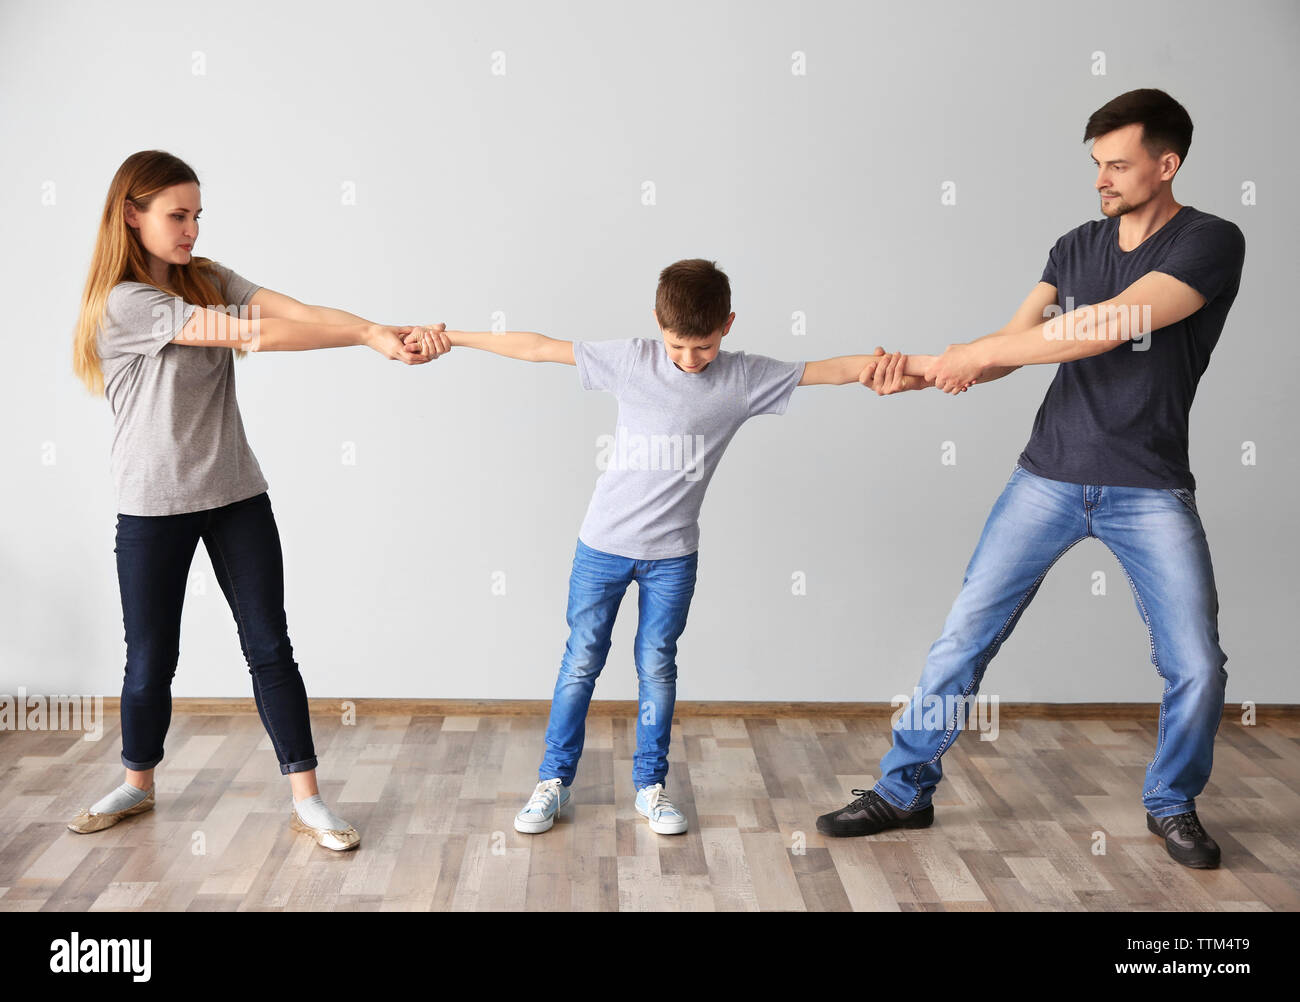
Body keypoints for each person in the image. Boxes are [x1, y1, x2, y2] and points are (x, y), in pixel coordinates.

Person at [818, 89, 1246, 870]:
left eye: (1117, 165)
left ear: (1167, 163)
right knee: (962, 641)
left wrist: (965, 355)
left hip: (1149, 485)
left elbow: (1109, 323)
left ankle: (1171, 802)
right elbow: (1016, 346)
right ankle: (904, 789)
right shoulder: (1075, 244)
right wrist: (924, 372)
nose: (1101, 181)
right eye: (1096, 166)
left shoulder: (1212, 242)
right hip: (1047, 476)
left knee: (1198, 663)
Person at [409, 259, 929, 836]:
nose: (689, 359)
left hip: (673, 557)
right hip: (601, 547)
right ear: (658, 323)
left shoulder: (745, 378)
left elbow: (835, 369)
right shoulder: (632, 360)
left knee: (656, 667)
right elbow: (538, 347)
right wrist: (451, 337)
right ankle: (552, 782)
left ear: (728, 325)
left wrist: (929, 370)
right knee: (581, 660)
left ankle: (651, 787)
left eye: (703, 347)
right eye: (678, 345)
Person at [68, 150, 447, 851]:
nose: (191, 230)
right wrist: (367, 337)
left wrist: (378, 330)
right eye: (177, 216)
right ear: (132, 214)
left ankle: (308, 797)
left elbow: (292, 311)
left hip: (237, 494)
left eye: (197, 215)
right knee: (150, 656)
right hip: (152, 505)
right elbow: (256, 334)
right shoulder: (127, 303)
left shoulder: (207, 278)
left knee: (269, 644)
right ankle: (137, 782)